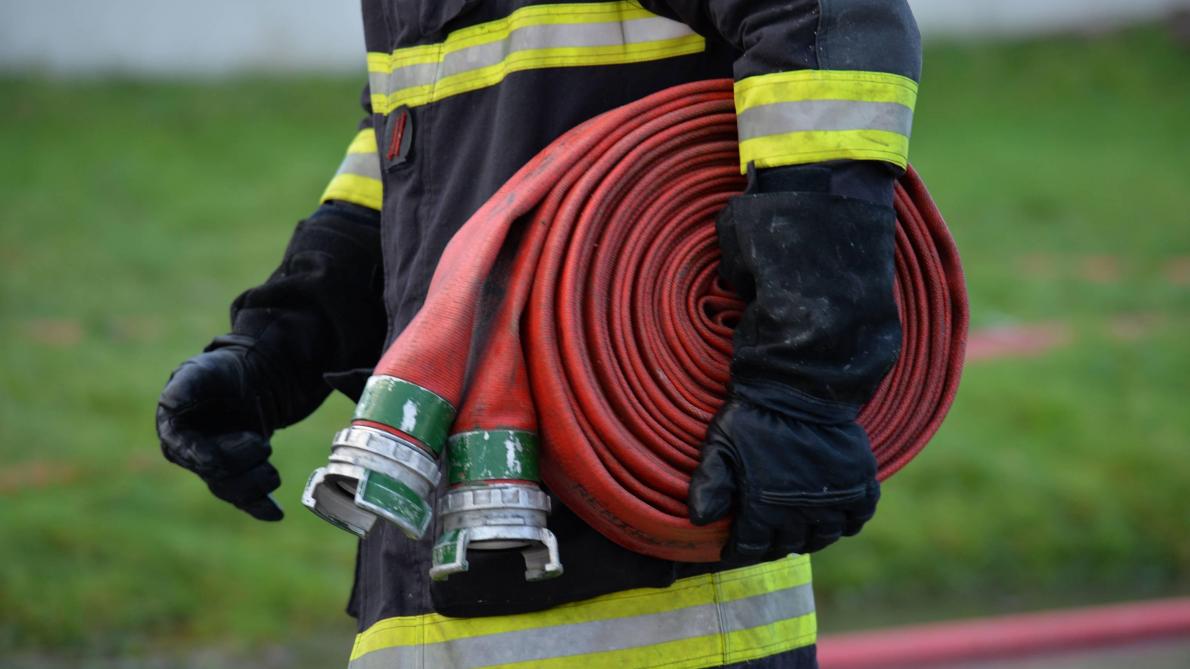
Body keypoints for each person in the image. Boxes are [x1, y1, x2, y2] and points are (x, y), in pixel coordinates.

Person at [156, 1, 921, 666]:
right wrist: (276, 347)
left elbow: (829, 27)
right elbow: (414, 161)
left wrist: (801, 378)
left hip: (665, 612)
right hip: (426, 610)